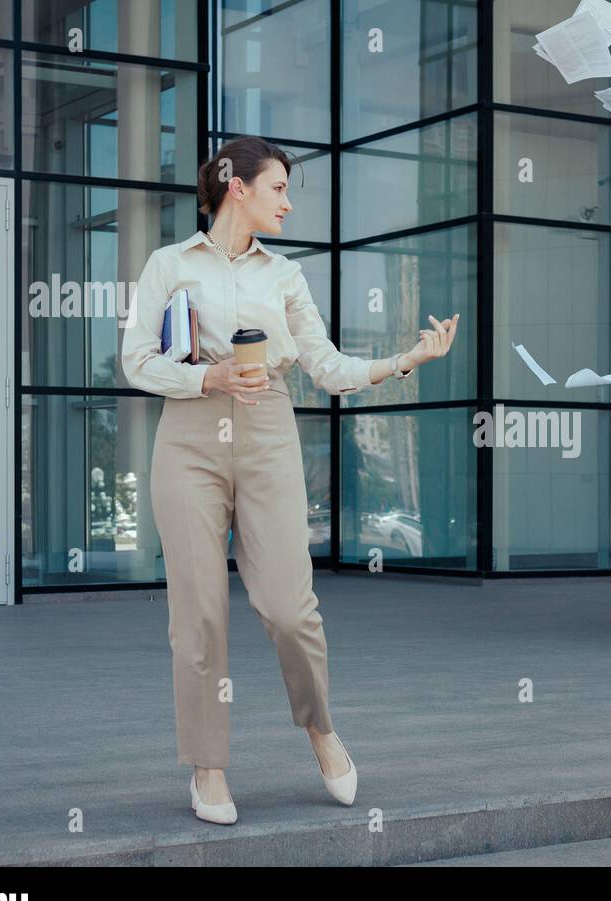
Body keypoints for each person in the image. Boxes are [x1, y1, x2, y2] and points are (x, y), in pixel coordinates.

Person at [120, 135, 459, 824]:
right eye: (278, 187)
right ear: (236, 187)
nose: (288, 201)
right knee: (200, 615)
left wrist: (403, 361)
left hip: (268, 428)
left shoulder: (286, 276)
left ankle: (320, 729)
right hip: (188, 435)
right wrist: (204, 376)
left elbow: (326, 367)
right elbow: (135, 360)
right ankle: (208, 767)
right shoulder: (167, 265)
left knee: (288, 608)